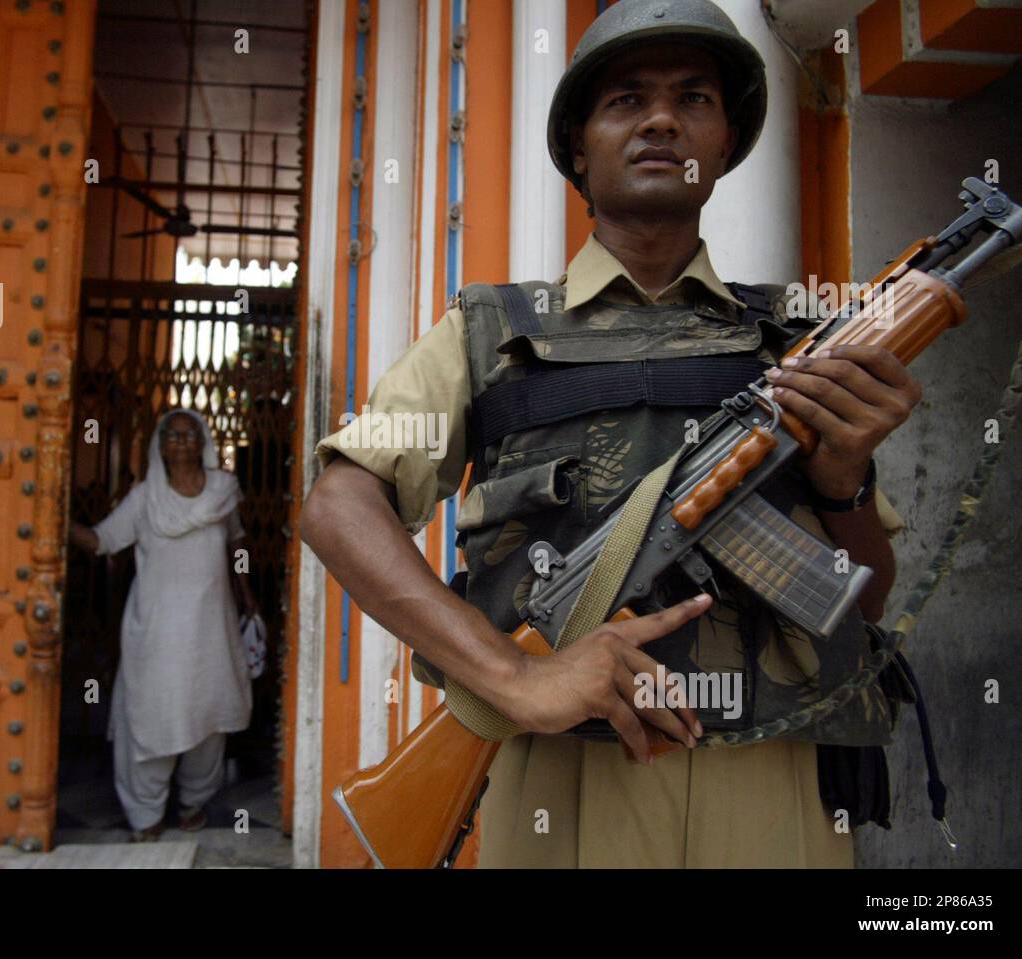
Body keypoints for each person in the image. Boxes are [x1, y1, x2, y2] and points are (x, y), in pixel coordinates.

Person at [301, 0, 919, 868]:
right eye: (626, 99)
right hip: (566, 776)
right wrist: (515, 674)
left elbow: (868, 597)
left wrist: (845, 476)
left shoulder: (799, 342)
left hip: (772, 775)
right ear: (579, 152)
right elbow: (338, 503)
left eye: (694, 99)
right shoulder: (491, 332)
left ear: (726, 147)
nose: (663, 118)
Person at [70, 408, 258, 841]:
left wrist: (247, 594)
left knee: (208, 713)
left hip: (212, 626)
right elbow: (101, 542)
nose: (181, 441)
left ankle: (194, 800)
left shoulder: (224, 491)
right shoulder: (143, 498)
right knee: (153, 714)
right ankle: (145, 812)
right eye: (172, 435)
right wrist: (54, 520)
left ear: (203, 442)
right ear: (159, 445)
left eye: (189, 434)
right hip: (155, 631)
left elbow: (237, 543)